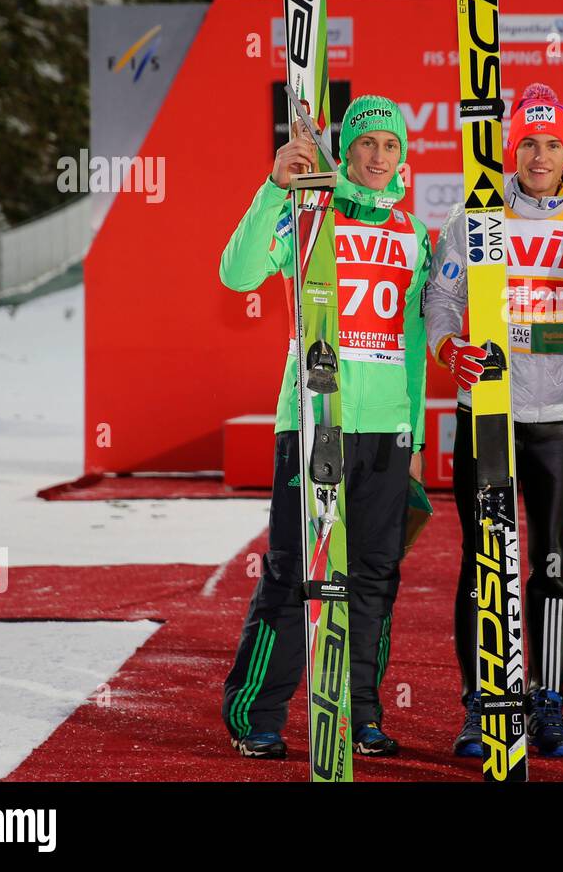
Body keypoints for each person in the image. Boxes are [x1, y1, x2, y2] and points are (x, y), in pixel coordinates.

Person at [219, 95, 431, 759]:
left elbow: (416, 345)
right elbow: (237, 273)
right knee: (292, 571)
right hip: (315, 419)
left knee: (373, 574)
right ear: (349, 149)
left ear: (403, 156)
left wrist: (416, 441)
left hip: (387, 431)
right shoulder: (310, 214)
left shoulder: (414, 235)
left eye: (390, 146)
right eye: (366, 143)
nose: (377, 157)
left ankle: (360, 713)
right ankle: (256, 713)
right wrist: (274, 185)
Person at [425, 82, 563, 758]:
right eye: (530, 142)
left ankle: (548, 704)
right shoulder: (474, 215)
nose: (541, 155)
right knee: (484, 559)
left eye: (554, 142)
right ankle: (483, 702)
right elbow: (441, 299)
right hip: (487, 411)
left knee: (553, 562)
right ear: (513, 148)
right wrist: (452, 350)